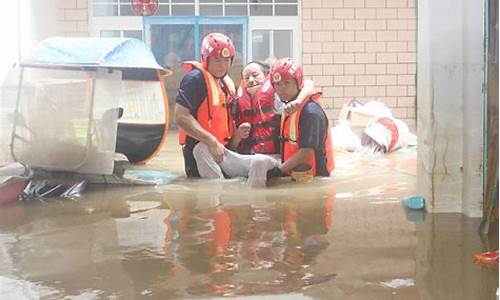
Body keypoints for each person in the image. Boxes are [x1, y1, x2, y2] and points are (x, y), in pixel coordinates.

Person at [174, 33, 277, 187]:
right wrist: (211, 141)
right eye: (217, 60)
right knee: (211, 192)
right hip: (201, 151)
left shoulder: (225, 83)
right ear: (206, 58)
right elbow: (181, 117)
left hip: (224, 150)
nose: (222, 65)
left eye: (227, 60)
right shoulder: (195, 79)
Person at [229, 61, 315, 159]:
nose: (251, 80)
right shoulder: (237, 99)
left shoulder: (277, 90)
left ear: (266, 75)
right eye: (247, 78)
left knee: (259, 163)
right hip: (246, 156)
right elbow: (232, 146)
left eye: (255, 75)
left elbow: (309, 84)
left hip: (274, 156)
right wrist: (237, 136)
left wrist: (299, 100)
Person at [266, 58, 335, 179]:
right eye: (277, 84)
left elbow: (305, 153)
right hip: (296, 176)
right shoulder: (290, 107)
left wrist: (278, 171)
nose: (281, 89)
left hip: (315, 180)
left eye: (287, 83)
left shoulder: (310, 112)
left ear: (298, 83)